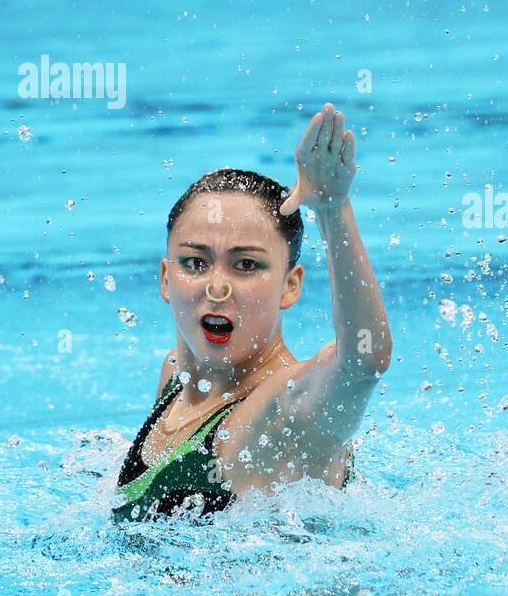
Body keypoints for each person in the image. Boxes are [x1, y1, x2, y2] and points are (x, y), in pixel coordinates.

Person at [113, 103, 391, 521]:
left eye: (246, 265)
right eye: (194, 262)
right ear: (166, 279)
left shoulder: (285, 413)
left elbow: (364, 361)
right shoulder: (175, 375)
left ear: (290, 285)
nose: (217, 286)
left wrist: (334, 211)